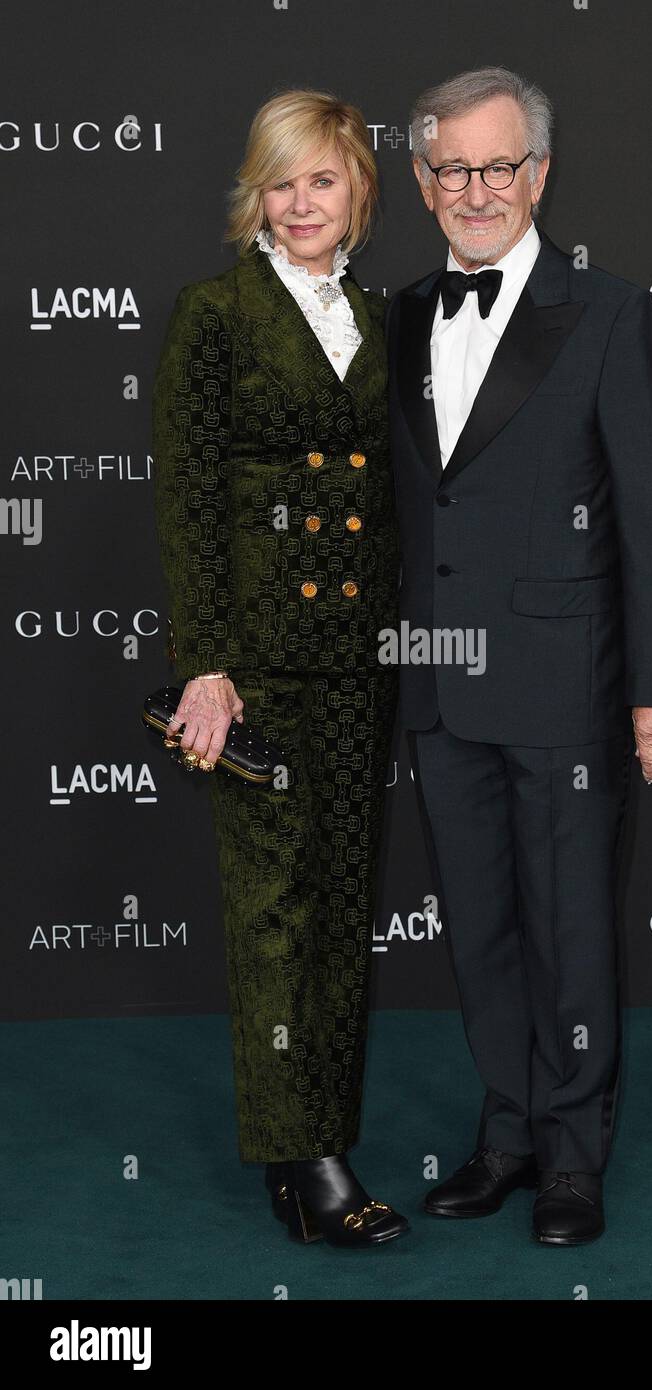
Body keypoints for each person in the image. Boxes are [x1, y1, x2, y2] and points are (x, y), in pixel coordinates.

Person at [387, 66, 652, 1244]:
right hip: (439, 676)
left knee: (569, 927)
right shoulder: (404, 313)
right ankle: (507, 1133)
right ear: (422, 183)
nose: (477, 189)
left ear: (539, 173)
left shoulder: (610, 312)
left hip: (569, 686)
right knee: (479, 924)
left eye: (498, 165)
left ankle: (574, 1157)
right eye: (452, 168)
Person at [151, 88, 408, 1248]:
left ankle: (314, 1136)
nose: (299, 204)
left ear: (358, 192)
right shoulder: (213, 315)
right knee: (271, 915)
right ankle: (307, 1155)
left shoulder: (382, 316)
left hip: (356, 660)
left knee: (340, 908)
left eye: (321, 181)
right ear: (253, 193)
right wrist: (205, 666)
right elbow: (191, 499)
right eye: (280, 181)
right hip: (256, 668)